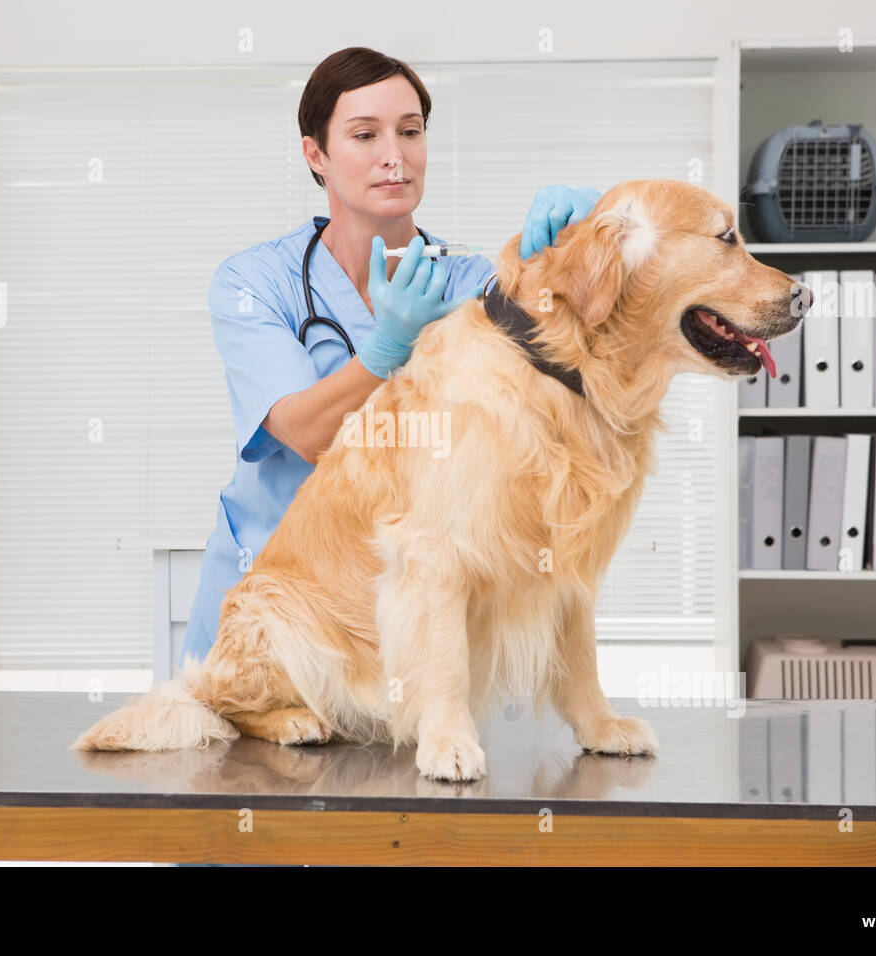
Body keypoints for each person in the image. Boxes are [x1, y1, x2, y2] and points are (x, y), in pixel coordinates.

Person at [180, 46, 600, 665]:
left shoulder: (475, 284)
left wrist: (600, 226)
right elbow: (303, 432)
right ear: (315, 154)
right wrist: (386, 351)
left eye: (410, 131)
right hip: (278, 601)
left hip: (418, 607)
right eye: (364, 134)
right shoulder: (254, 283)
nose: (393, 156)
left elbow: (586, 369)